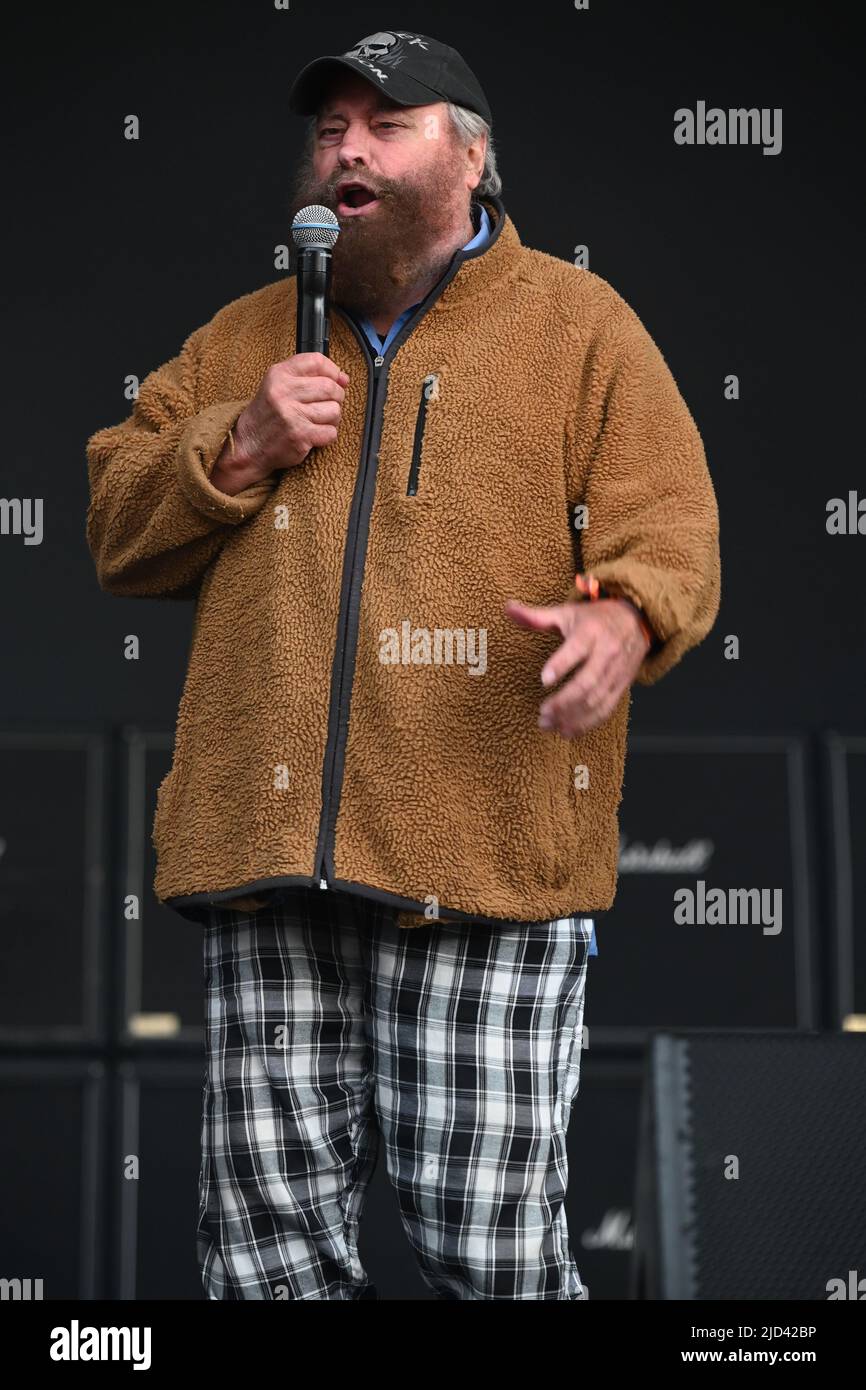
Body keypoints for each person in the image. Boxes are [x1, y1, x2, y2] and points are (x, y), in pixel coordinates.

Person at [85, 29, 721, 1299]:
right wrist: (237, 442)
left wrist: (625, 618)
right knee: (262, 1271)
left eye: (385, 122)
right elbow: (114, 523)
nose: (345, 149)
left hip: (478, 870)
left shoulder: (577, 328)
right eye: (327, 130)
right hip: (267, 874)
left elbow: (673, 531)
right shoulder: (241, 340)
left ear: (473, 159)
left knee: (490, 1263)